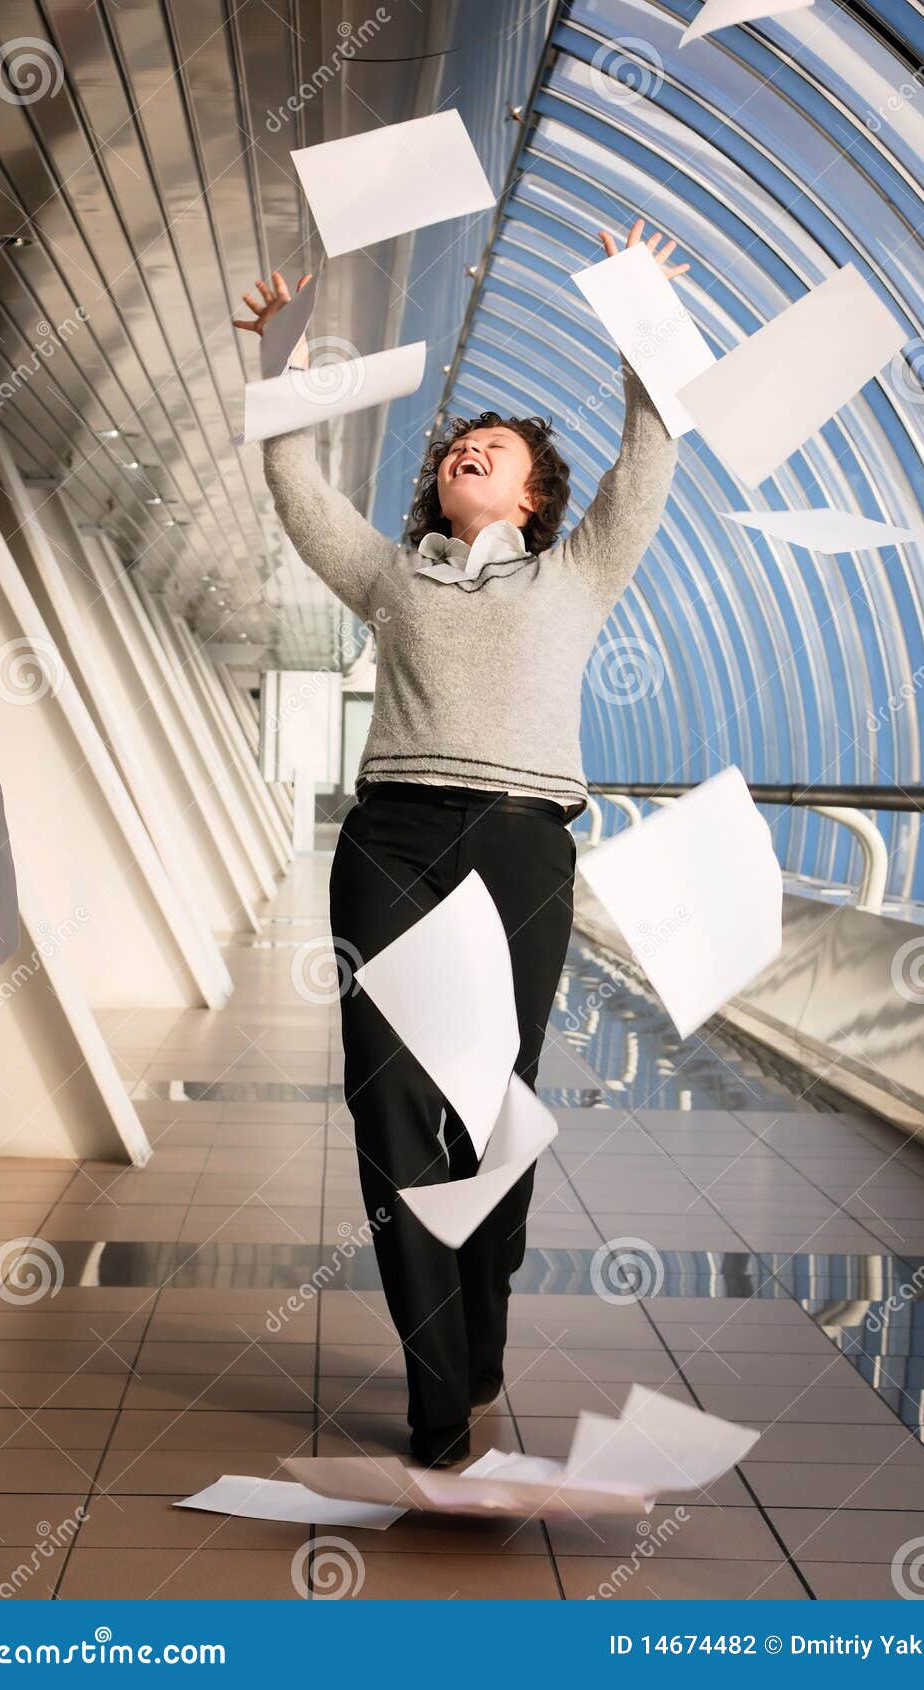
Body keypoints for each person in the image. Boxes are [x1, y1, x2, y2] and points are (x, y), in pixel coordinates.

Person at [233, 220, 686, 1467]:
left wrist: (641, 316)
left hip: (521, 847)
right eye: (457, 446)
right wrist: (282, 361)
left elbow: (651, 455)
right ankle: (444, 1398)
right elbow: (296, 489)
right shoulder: (393, 578)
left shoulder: (577, 574)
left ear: (534, 495)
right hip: (391, 839)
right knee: (389, 1108)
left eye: (501, 450)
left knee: (494, 1114)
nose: (467, 449)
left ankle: (477, 1338)